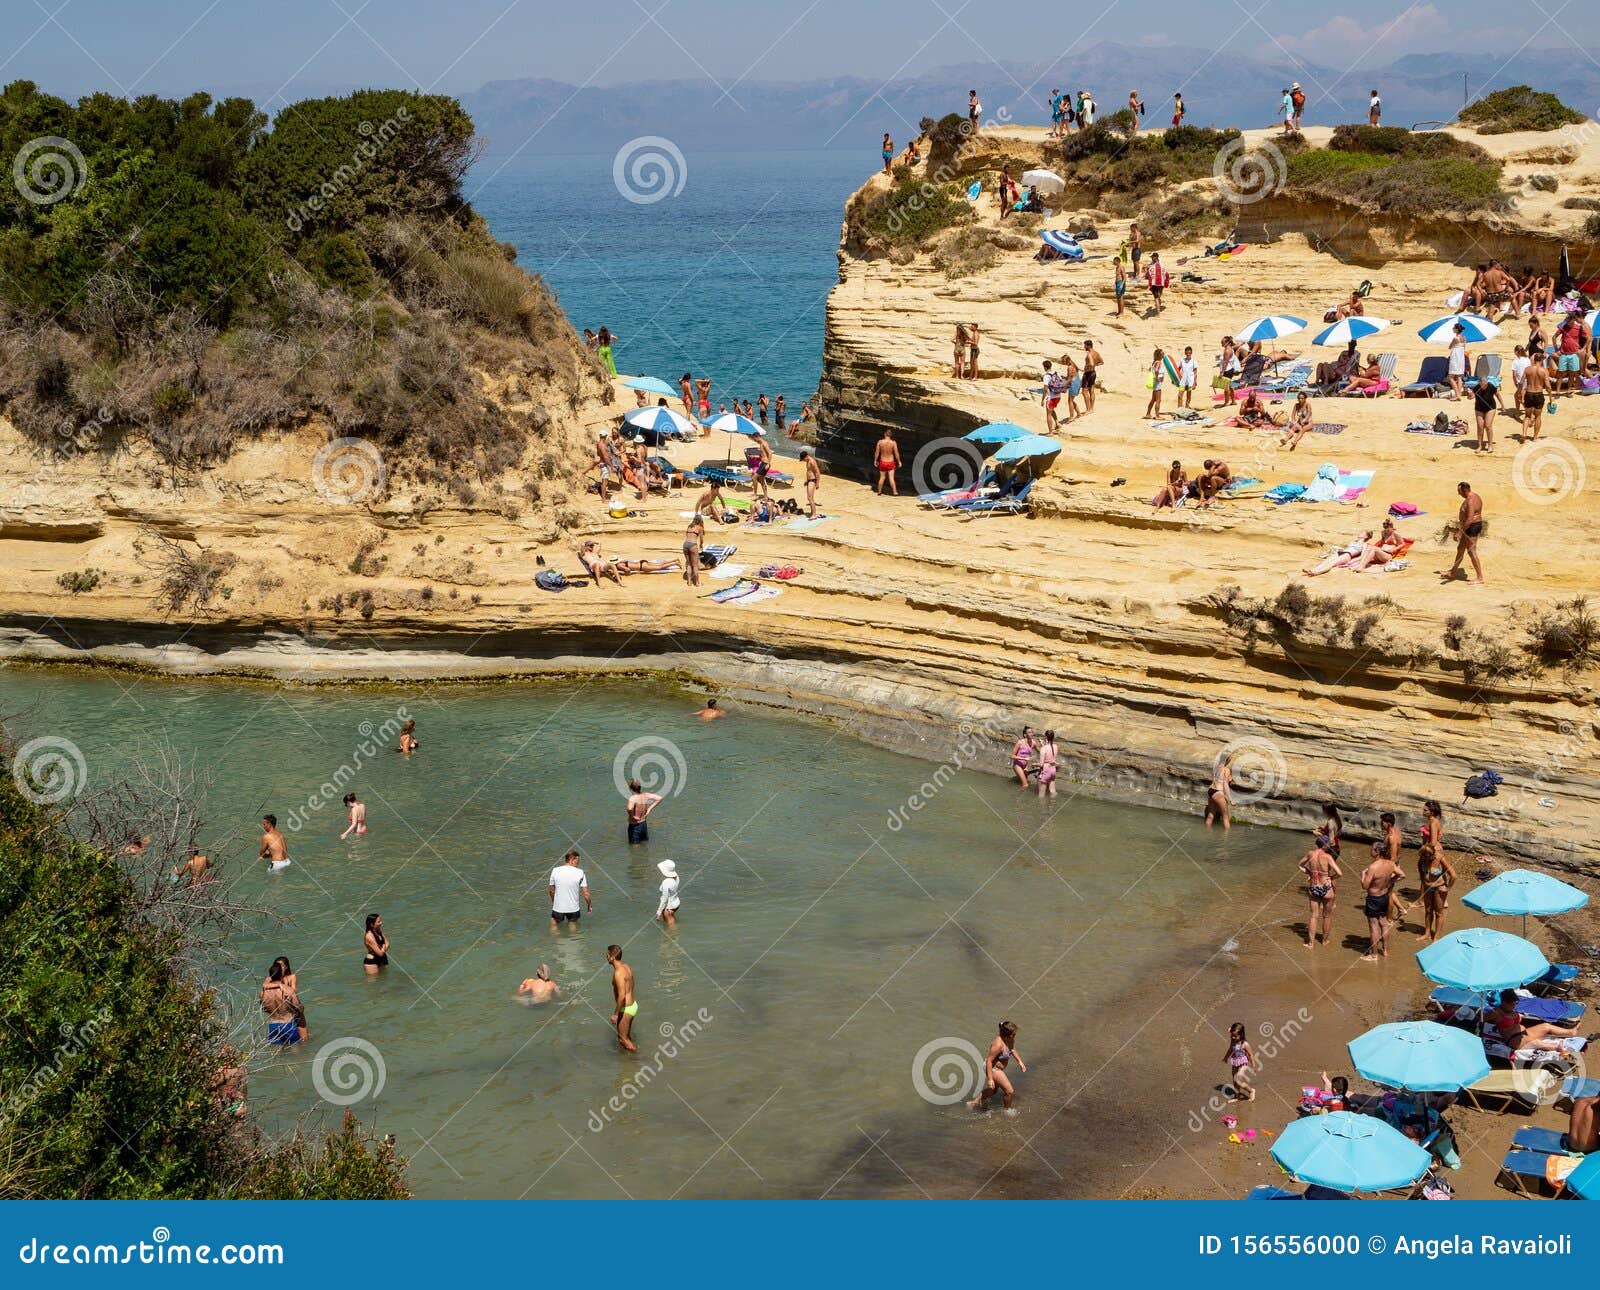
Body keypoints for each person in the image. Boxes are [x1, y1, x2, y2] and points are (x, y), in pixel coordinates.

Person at [1486, 990, 1583, 1054]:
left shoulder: (1512, 1009)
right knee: (1536, 1042)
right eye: (1512, 1004)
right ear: (1504, 1002)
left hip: (1524, 1033)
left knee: (1546, 1026)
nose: (1514, 1006)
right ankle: (1556, 1048)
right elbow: (1480, 1018)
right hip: (1514, 1040)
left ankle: (1570, 1032)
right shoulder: (1496, 1012)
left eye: (1515, 1004)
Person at [968, 1020, 1026, 1111]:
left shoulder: (1010, 1040)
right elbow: (989, 1061)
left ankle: (974, 1103)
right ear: (1007, 1034)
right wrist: (990, 1079)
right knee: (1009, 1091)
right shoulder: (998, 1044)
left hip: (997, 1069)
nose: (1015, 1036)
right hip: (993, 1068)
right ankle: (1007, 1110)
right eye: (1013, 1034)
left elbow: (1012, 1049)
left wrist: (1020, 1062)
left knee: (993, 1090)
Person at [1359, 840, 1402, 961]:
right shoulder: (1390, 864)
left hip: (1374, 898)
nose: (1370, 850)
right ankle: (1385, 950)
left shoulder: (1373, 867)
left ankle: (1373, 955)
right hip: (1384, 897)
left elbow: (1365, 886)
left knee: (1374, 926)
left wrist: (1363, 875)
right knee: (1384, 923)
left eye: (1372, 849)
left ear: (1377, 851)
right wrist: (1390, 882)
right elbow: (1402, 875)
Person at [1299, 831, 1342, 948]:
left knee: (1314, 916)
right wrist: (1330, 878)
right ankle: (1324, 941)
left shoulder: (1310, 854)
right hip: (1326, 888)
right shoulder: (1327, 856)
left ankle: (1311, 943)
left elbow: (1300, 865)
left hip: (1314, 886)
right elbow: (1339, 873)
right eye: (1328, 844)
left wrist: (1309, 873)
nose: (1329, 845)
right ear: (1325, 845)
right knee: (1327, 916)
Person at [1439, 481, 1485, 584]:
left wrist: (1460, 532)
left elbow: (1469, 519)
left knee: (1471, 551)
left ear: (1465, 490)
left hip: (1472, 526)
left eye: (1459, 491)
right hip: (1468, 526)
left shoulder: (1471, 500)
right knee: (1460, 548)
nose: (1459, 494)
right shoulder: (1472, 497)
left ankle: (1480, 577)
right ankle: (1453, 572)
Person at [1417, 838, 1456, 943]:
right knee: (1428, 911)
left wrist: (1448, 888)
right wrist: (1423, 880)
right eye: (1423, 857)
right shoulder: (1422, 858)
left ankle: (1437, 936)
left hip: (1439, 888)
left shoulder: (1440, 859)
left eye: (1427, 857)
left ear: (1432, 855)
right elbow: (1419, 868)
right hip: (1427, 888)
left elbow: (1453, 875)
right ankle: (1427, 933)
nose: (1425, 859)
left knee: (1438, 913)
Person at [548, 849, 592, 930]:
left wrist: (554, 901)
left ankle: (555, 941)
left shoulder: (555, 870)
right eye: (577, 860)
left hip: (558, 907)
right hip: (573, 908)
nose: (578, 863)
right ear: (572, 859)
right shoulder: (580, 872)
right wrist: (589, 905)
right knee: (572, 925)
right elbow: (586, 893)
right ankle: (574, 941)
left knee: (554, 923)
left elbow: (551, 890)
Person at [260, 960, 301, 1045]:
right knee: (295, 1049)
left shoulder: (263, 993)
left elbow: (264, 1008)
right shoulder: (288, 990)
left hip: (272, 1025)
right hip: (288, 1024)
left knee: (276, 1051)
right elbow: (299, 1007)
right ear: (281, 974)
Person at [607, 944, 639, 1052]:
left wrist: (616, 1014)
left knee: (622, 1039)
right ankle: (627, 1063)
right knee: (625, 1036)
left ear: (612, 957)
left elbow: (622, 995)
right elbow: (632, 983)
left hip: (626, 1009)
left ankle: (640, 1058)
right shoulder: (626, 967)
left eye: (607, 954)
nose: (606, 957)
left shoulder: (618, 973)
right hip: (632, 1005)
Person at [626, 778, 663, 844]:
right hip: (643, 824)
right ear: (640, 787)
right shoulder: (645, 795)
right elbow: (659, 798)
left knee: (635, 849)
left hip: (634, 826)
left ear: (630, 788)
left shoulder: (633, 798)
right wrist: (649, 809)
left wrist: (632, 816)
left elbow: (629, 808)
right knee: (644, 844)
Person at [1521, 353, 1549, 440]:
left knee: (1527, 415)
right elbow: (1548, 386)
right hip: (1538, 394)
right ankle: (1535, 437)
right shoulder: (1544, 371)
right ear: (1542, 360)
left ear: (1534, 360)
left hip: (1529, 393)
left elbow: (1521, 382)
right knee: (1538, 416)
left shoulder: (1527, 369)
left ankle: (1524, 434)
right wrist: (1551, 397)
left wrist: (1519, 393)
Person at [1225, 1022, 1256, 1101]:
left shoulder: (1245, 1044)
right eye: (1232, 1035)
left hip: (1243, 1063)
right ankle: (1237, 1096)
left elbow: (1250, 1055)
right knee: (1234, 1081)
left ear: (1241, 1035)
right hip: (1235, 1062)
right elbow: (1230, 1049)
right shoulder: (1233, 1041)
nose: (1233, 1037)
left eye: (1235, 1036)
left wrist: (1253, 1065)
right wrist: (1226, 1057)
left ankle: (1251, 1091)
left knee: (1239, 1079)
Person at [1472, 369, 1498, 452]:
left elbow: (1498, 396)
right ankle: (1479, 445)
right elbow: (1471, 397)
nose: (1484, 386)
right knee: (1480, 426)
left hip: (1490, 408)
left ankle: (1490, 445)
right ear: (1480, 383)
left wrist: (1503, 406)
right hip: (1479, 408)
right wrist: (1469, 395)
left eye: (1485, 384)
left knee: (1488, 425)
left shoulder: (1491, 386)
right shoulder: (1476, 388)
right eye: (1482, 384)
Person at [1205, 753, 1231, 828]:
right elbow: (1225, 784)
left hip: (1210, 790)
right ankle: (1226, 838)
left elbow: (1217, 778)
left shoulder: (1216, 768)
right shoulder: (1226, 769)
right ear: (1228, 760)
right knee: (1226, 818)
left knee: (1210, 816)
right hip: (1218, 792)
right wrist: (1230, 799)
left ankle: (1206, 834)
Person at [1041, 359, 1067, 432]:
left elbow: (1045, 389)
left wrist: (1042, 400)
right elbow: (1061, 382)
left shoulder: (1046, 376)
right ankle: (1057, 423)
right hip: (1058, 396)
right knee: (1051, 410)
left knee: (1048, 414)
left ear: (1045, 367)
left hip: (1051, 397)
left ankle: (1050, 432)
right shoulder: (1056, 373)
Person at [873, 430, 901, 495]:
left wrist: (875, 460)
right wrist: (899, 461)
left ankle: (879, 491)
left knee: (882, 477)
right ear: (890, 435)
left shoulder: (880, 442)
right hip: (891, 462)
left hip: (883, 461)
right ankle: (895, 492)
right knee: (891, 478)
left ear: (885, 434)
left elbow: (877, 452)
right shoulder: (893, 443)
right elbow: (896, 453)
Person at [655, 859, 681, 926]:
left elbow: (664, 899)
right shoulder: (676, 876)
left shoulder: (666, 882)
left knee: (671, 927)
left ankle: (673, 935)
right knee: (671, 921)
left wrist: (659, 912)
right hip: (676, 903)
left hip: (669, 907)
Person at [682, 514, 705, 588]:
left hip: (685, 544)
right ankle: (697, 582)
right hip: (693, 545)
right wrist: (701, 545)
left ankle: (689, 581)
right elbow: (701, 539)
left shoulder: (689, 526)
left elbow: (687, 535)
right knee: (695, 565)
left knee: (688, 563)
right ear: (700, 520)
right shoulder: (700, 528)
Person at [1446, 324, 1468, 400]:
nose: (1452, 329)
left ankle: (1457, 395)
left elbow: (1450, 347)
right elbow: (1464, 347)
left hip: (1455, 357)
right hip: (1461, 357)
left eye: (1453, 328)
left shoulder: (1455, 338)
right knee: (1459, 377)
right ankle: (1459, 395)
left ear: (1456, 329)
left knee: (1451, 376)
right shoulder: (1464, 338)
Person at [1036, 729, 1059, 798]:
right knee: (1053, 791)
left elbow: (1041, 764)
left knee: (1041, 794)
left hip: (1045, 770)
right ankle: (1053, 805)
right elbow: (1050, 755)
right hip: (1053, 770)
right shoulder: (1055, 746)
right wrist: (1043, 744)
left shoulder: (1043, 748)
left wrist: (1034, 764)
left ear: (1046, 737)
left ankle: (1041, 808)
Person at [1143, 348, 1165, 418]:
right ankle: (1157, 415)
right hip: (1158, 383)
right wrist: (1157, 377)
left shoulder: (1154, 362)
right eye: (1162, 354)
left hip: (1155, 383)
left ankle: (1148, 414)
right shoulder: (1158, 362)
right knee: (1158, 400)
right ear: (1159, 355)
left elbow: (1151, 369)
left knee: (1153, 399)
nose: (1163, 355)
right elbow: (1156, 370)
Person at [799, 447, 821, 519]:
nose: (803, 461)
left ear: (806, 456)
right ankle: (812, 513)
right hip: (809, 480)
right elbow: (809, 471)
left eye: (803, 459)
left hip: (813, 480)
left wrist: (817, 483)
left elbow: (817, 472)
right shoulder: (808, 461)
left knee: (810, 498)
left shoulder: (812, 461)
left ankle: (814, 514)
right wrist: (806, 480)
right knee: (810, 498)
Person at [1081, 340, 1102, 412]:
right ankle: (1092, 408)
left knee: (1084, 391)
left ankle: (1088, 409)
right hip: (1093, 372)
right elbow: (1102, 362)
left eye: (1085, 345)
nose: (1084, 347)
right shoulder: (1096, 353)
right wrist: (1095, 365)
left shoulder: (1089, 354)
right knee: (1092, 391)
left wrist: (1087, 366)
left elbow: (1092, 363)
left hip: (1088, 373)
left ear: (1088, 346)